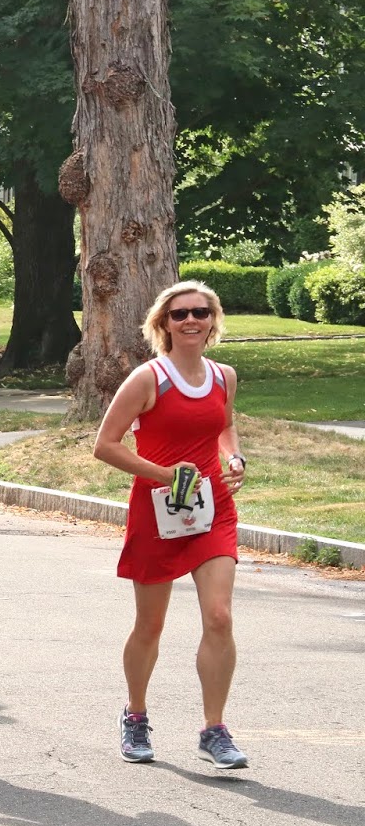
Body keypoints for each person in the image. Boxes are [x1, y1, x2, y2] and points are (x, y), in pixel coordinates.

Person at [94, 281, 248, 770]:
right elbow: (106, 444)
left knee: (219, 616)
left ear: (212, 320)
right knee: (150, 624)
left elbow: (223, 424)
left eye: (200, 312)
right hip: (158, 510)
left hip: (211, 508)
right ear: (163, 324)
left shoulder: (224, 375)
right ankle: (135, 714)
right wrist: (166, 474)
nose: (190, 321)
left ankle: (214, 729)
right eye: (179, 314)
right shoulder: (148, 379)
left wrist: (233, 456)